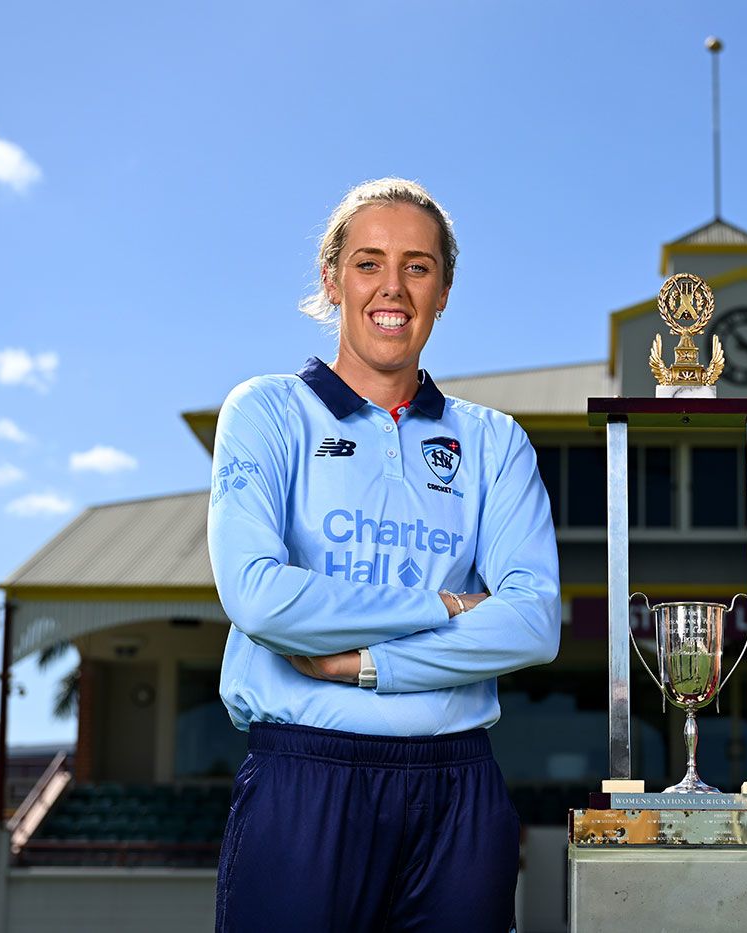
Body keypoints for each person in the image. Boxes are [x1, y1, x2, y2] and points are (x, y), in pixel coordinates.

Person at [206, 178, 560, 932]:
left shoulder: (493, 440)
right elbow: (262, 599)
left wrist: (370, 663)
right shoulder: (266, 411)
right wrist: (442, 606)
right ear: (332, 279)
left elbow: (532, 623)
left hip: (458, 788)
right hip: (305, 775)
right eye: (368, 263)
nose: (391, 287)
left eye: (418, 266)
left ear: (444, 289)